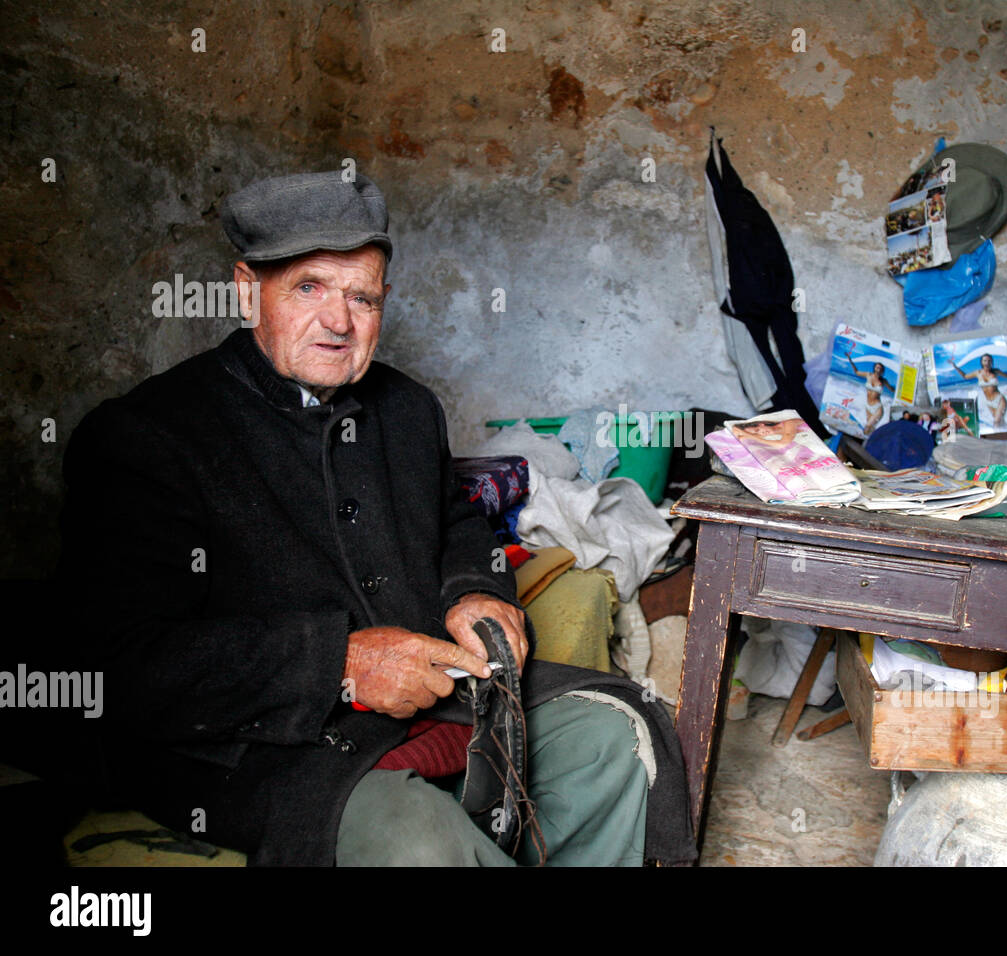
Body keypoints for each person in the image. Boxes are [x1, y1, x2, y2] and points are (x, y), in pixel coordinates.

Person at [56, 171, 695, 866]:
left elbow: (461, 529)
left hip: (438, 703)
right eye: (309, 289)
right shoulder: (146, 436)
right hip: (260, 748)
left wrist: (473, 592)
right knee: (415, 844)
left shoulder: (409, 409)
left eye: (361, 297)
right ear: (246, 290)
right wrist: (342, 664)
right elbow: (119, 665)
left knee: (618, 734)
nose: (339, 321)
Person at [951, 353, 1007, 426]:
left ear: (991, 362)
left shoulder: (996, 371)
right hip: (989, 403)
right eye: (985, 360)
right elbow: (965, 376)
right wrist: (955, 366)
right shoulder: (977, 373)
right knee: (1001, 422)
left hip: (999, 399)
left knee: (996, 422)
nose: (987, 362)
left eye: (989, 361)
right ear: (982, 362)